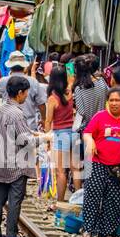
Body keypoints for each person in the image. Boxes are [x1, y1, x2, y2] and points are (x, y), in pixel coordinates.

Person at [0, 74, 44, 237]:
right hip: (16, 163)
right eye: (26, 93)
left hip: (1, 159)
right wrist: (44, 138)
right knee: (15, 200)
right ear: (20, 93)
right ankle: (11, 235)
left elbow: (12, 132)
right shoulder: (17, 113)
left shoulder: (2, 109)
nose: (27, 96)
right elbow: (24, 141)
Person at [79, 88, 120, 237]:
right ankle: (88, 231)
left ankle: (108, 233)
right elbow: (87, 133)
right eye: (111, 100)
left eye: (117, 100)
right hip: (97, 162)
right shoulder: (100, 116)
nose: (114, 103)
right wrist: (90, 141)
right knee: (92, 196)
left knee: (116, 199)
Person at [45, 68, 78, 203]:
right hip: (74, 133)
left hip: (60, 134)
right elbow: (72, 77)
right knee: (75, 168)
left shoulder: (53, 98)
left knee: (61, 171)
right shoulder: (70, 91)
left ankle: (60, 200)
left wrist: (47, 139)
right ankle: (79, 199)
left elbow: (48, 120)